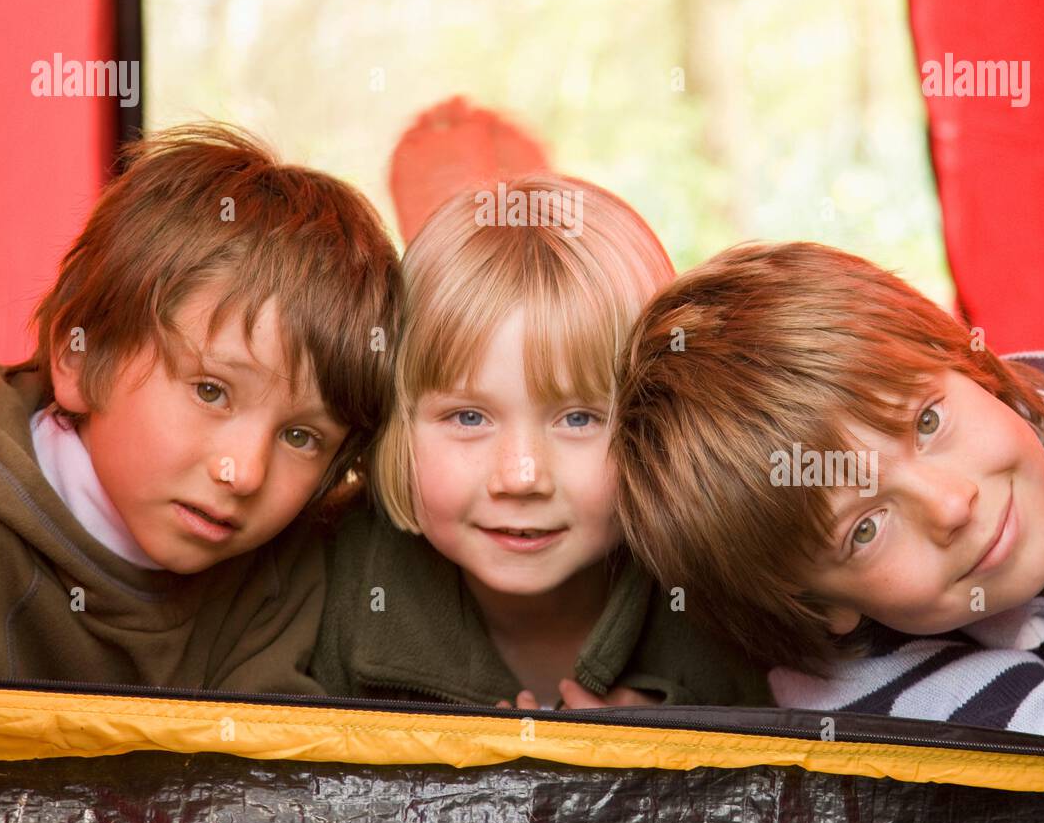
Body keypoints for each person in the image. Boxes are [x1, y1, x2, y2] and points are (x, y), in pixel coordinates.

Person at [0, 123, 400, 693]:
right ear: (81, 359)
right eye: (210, 391)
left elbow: (261, 776)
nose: (244, 473)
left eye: (301, 437)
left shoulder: (280, 570)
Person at [612, 240, 1044, 755]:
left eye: (928, 422)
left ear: (967, 361)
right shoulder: (873, 693)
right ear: (823, 606)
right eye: (866, 528)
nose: (953, 505)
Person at [309, 175, 772, 710]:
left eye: (578, 419)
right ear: (397, 423)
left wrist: (676, 767)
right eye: (468, 416)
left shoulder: (729, 594)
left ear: (660, 419)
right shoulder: (321, 587)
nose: (522, 476)